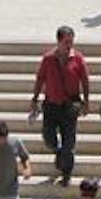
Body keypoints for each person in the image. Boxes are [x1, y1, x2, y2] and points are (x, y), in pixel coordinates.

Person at [29, 26, 90, 186]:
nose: (69, 45)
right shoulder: (48, 59)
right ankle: (58, 152)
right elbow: (40, 78)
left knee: (69, 142)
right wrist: (34, 99)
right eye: (66, 42)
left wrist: (86, 101)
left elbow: (84, 80)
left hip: (70, 105)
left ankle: (66, 172)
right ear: (58, 41)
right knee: (49, 138)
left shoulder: (77, 59)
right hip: (51, 104)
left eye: (71, 41)